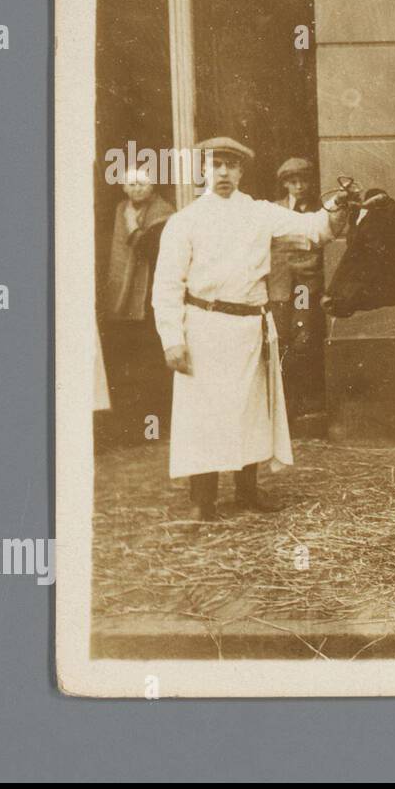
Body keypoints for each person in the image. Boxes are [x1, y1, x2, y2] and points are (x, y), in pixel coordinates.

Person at [152, 137, 349, 521]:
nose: (223, 172)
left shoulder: (259, 213)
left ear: (242, 171)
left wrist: (335, 207)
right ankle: (202, 501)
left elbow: (314, 229)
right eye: (215, 164)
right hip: (203, 327)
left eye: (231, 165)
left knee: (249, 409)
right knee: (204, 413)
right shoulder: (185, 221)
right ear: (203, 169)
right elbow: (166, 285)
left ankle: (246, 491)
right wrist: (172, 339)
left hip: (248, 327)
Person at [101, 165, 175, 439]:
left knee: (153, 363)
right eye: (131, 184)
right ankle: (134, 424)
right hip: (125, 302)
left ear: (152, 186)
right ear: (123, 187)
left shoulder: (163, 212)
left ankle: (156, 424)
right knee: (129, 361)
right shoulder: (120, 210)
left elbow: (151, 248)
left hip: (152, 296)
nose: (137, 189)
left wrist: (134, 228)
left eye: (142, 184)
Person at [268, 157, 326, 420]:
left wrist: (297, 250)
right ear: (284, 184)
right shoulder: (275, 209)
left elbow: (314, 246)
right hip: (279, 286)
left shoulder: (317, 210)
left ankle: (306, 403)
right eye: (293, 181)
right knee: (280, 340)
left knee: (303, 337)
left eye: (303, 180)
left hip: (305, 287)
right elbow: (271, 245)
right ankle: (285, 405)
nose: (299, 186)